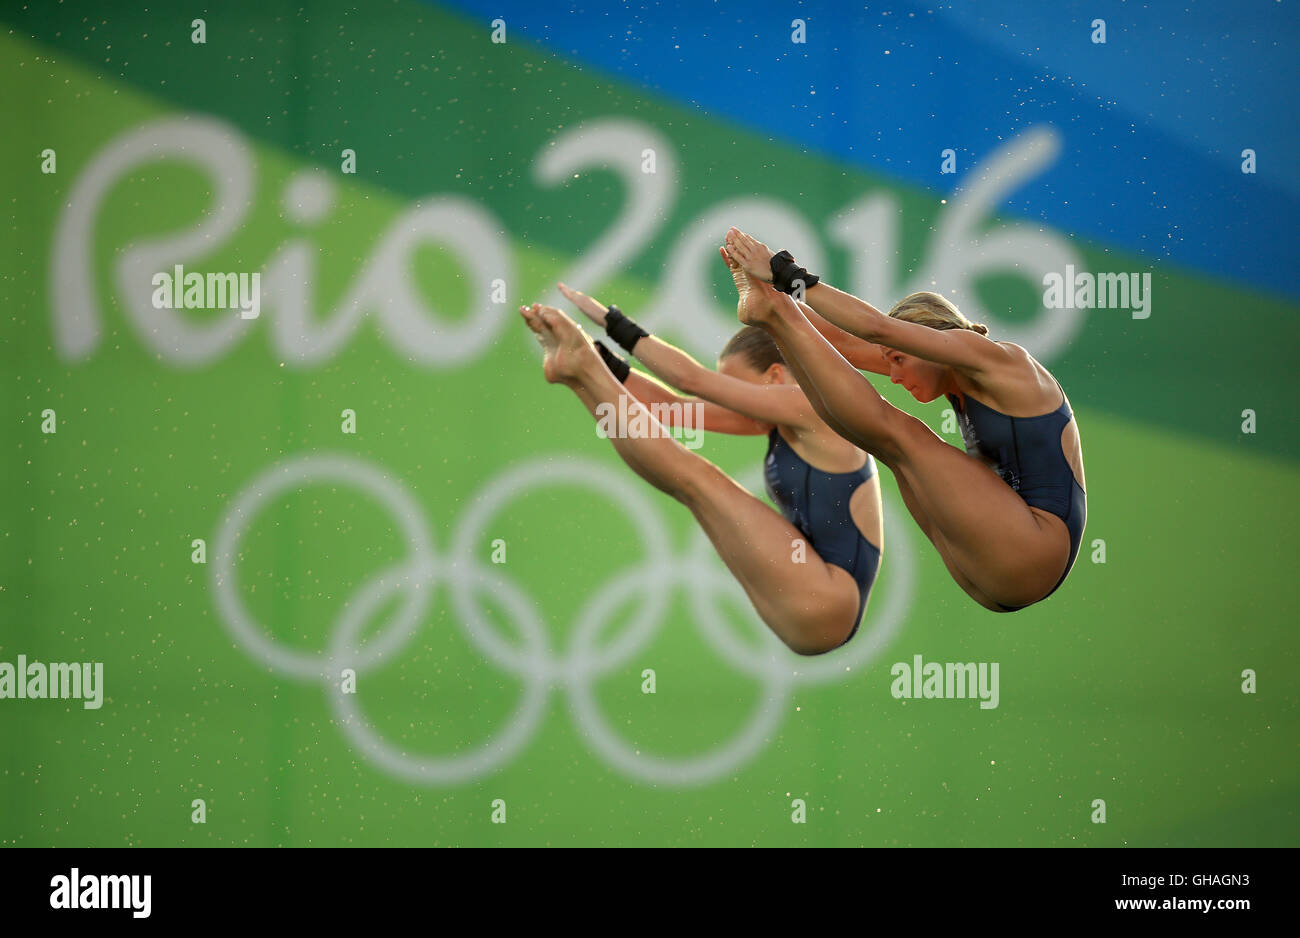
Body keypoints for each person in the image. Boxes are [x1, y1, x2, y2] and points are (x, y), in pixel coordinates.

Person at [514, 268, 883, 655]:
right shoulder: (775, 417)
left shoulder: (811, 407)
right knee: (689, 488)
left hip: (826, 601)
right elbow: (672, 408)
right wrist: (601, 355)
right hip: (802, 600)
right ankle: (579, 376)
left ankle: (583, 367)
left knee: (697, 478)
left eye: (735, 387)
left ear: (775, 375)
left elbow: (690, 379)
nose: (729, 401)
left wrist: (613, 325)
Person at [721, 227, 1086, 612]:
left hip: (1034, 550)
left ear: (927, 338)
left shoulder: (997, 359)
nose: (893, 375)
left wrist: (783, 273)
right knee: (888, 445)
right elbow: (844, 342)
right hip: (991, 571)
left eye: (898, 359)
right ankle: (774, 317)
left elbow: (875, 327)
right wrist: (776, 303)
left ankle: (776, 314)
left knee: (904, 435)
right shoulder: (949, 367)